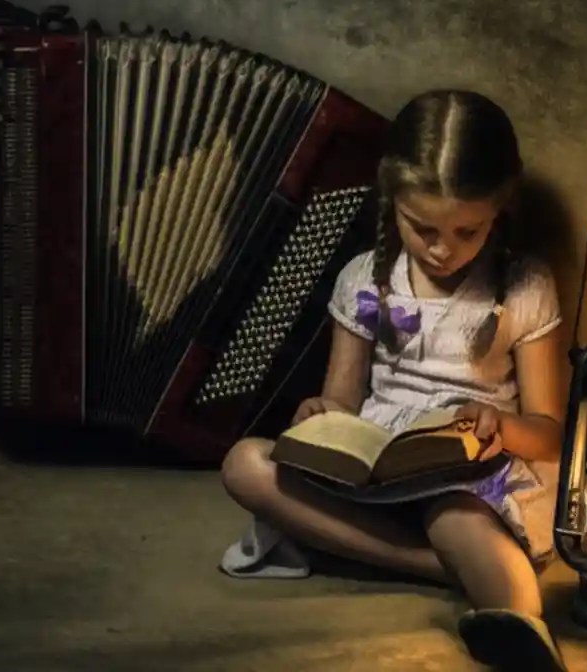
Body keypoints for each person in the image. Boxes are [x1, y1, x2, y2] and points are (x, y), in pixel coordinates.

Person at [220, 89, 567, 671]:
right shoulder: (365, 278)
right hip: (377, 471)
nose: (442, 250)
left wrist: (501, 428)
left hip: (468, 474)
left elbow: (550, 433)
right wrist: (319, 415)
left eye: (467, 231)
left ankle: (517, 626)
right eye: (422, 227)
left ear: (500, 208)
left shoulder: (524, 286)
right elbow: (341, 400)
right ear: (391, 198)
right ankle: (435, 567)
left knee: (455, 519)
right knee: (244, 465)